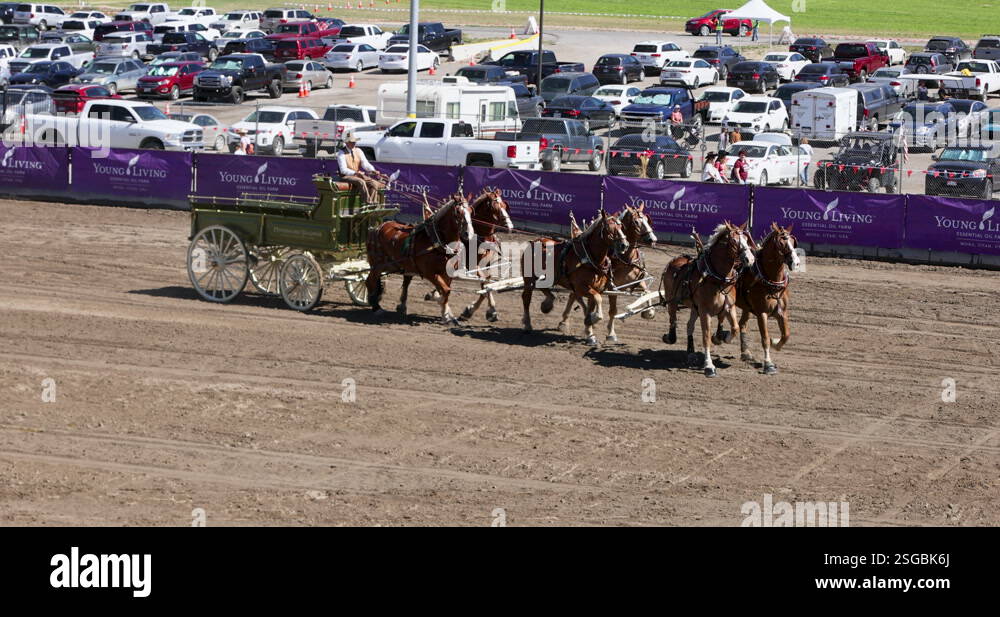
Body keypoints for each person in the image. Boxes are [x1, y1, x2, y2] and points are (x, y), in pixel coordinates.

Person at [337, 131, 385, 204]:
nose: (354, 143)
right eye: (352, 142)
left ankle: (373, 203)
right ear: (346, 143)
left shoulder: (359, 151)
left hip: (357, 175)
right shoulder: (341, 153)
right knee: (361, 182)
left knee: (374, 183)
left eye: (354, 142)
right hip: (346, 176)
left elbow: (365, 163)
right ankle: (367, 202)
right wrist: (355, 173)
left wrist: (373, 170)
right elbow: (343, 170)